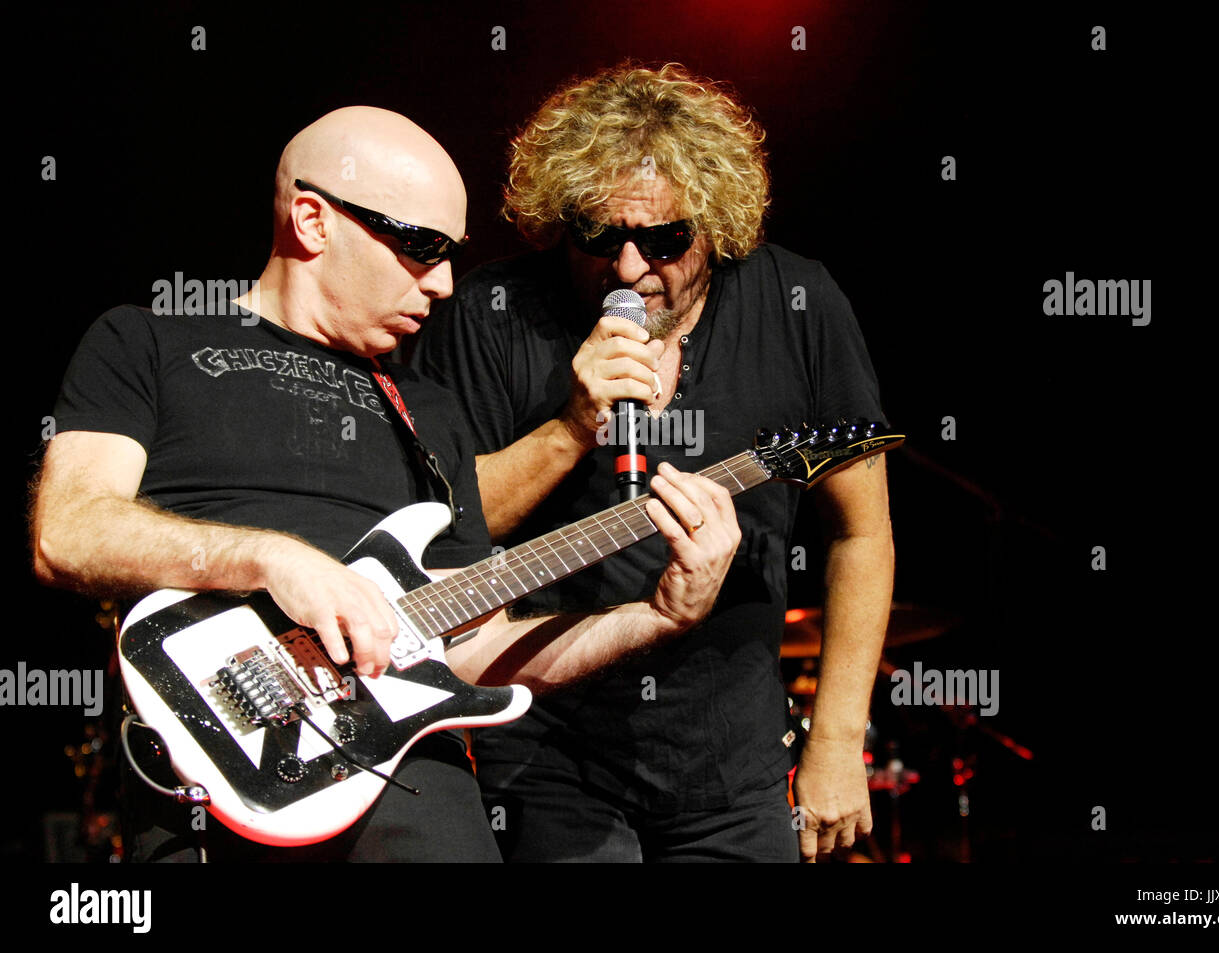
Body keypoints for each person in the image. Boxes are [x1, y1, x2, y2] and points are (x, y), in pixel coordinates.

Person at [28, 105, 741, 862]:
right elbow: (66, 531)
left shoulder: (429, 409)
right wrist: (276, 560)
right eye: (420, 246)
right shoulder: (146, 342)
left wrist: (659, 615)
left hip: (412, 794)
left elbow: (476, 648)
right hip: (219, 769)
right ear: (312, 219)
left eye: (451, 255)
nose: (441, 284)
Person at [413, 63, 894, 862]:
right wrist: (572, 425)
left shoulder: (797, 304)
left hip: (730, 762)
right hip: (545, 749)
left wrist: (838, 739)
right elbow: (443, 544)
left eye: (665, 239)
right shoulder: (494, 316)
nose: (630, 268)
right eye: (601, 237)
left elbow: (861, 534)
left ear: (718, 222)